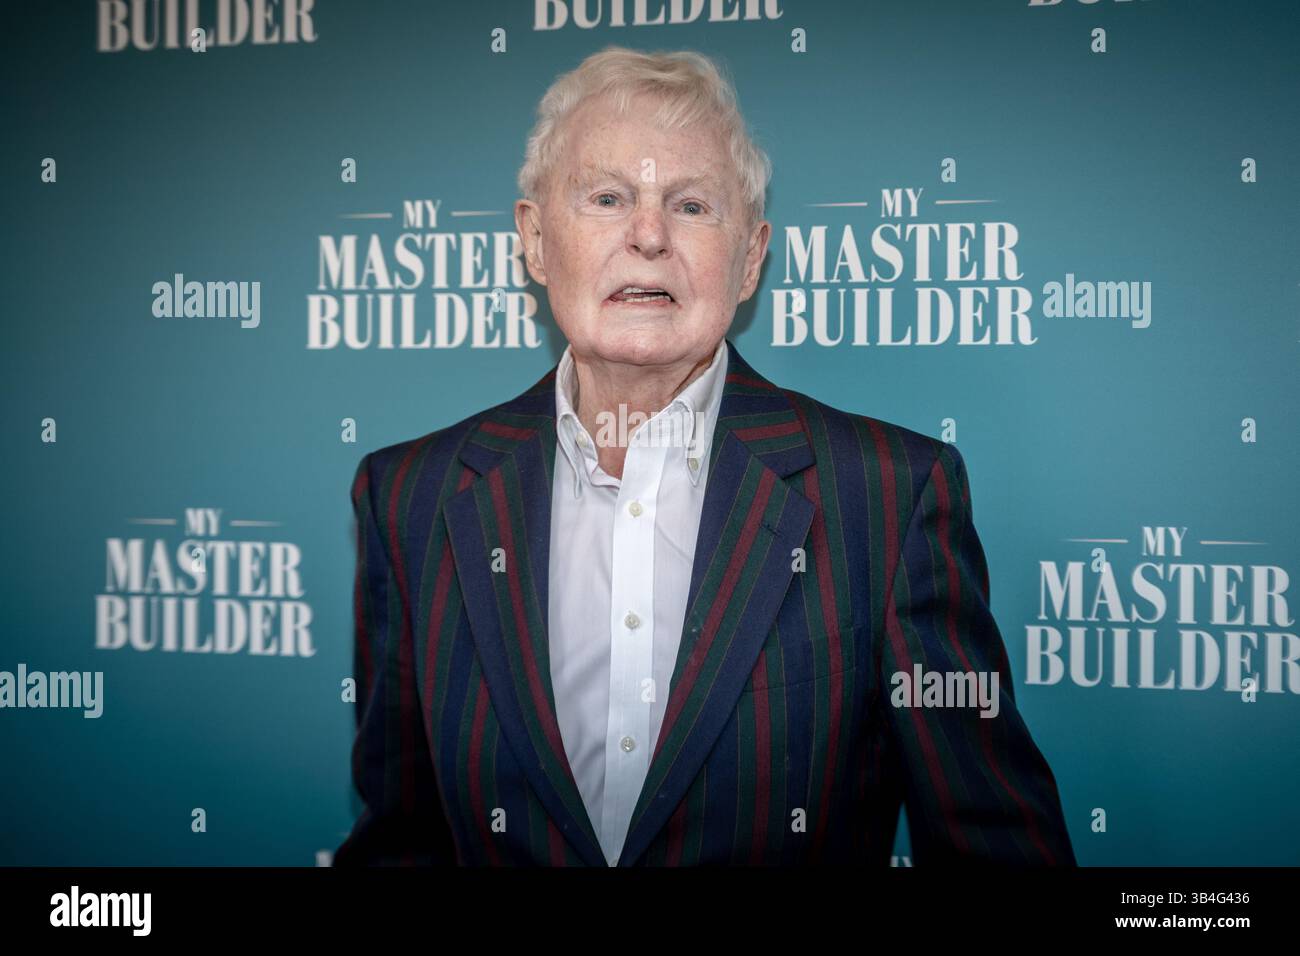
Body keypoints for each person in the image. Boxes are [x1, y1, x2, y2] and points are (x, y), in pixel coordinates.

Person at [334, 45, 1075, 867]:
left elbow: (998, 845)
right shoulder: (412, 499)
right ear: (535, 242)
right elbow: (398, 843)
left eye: (690, 205)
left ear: (751, 257)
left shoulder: (890, 497)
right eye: (608, 197)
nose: (647, 235)